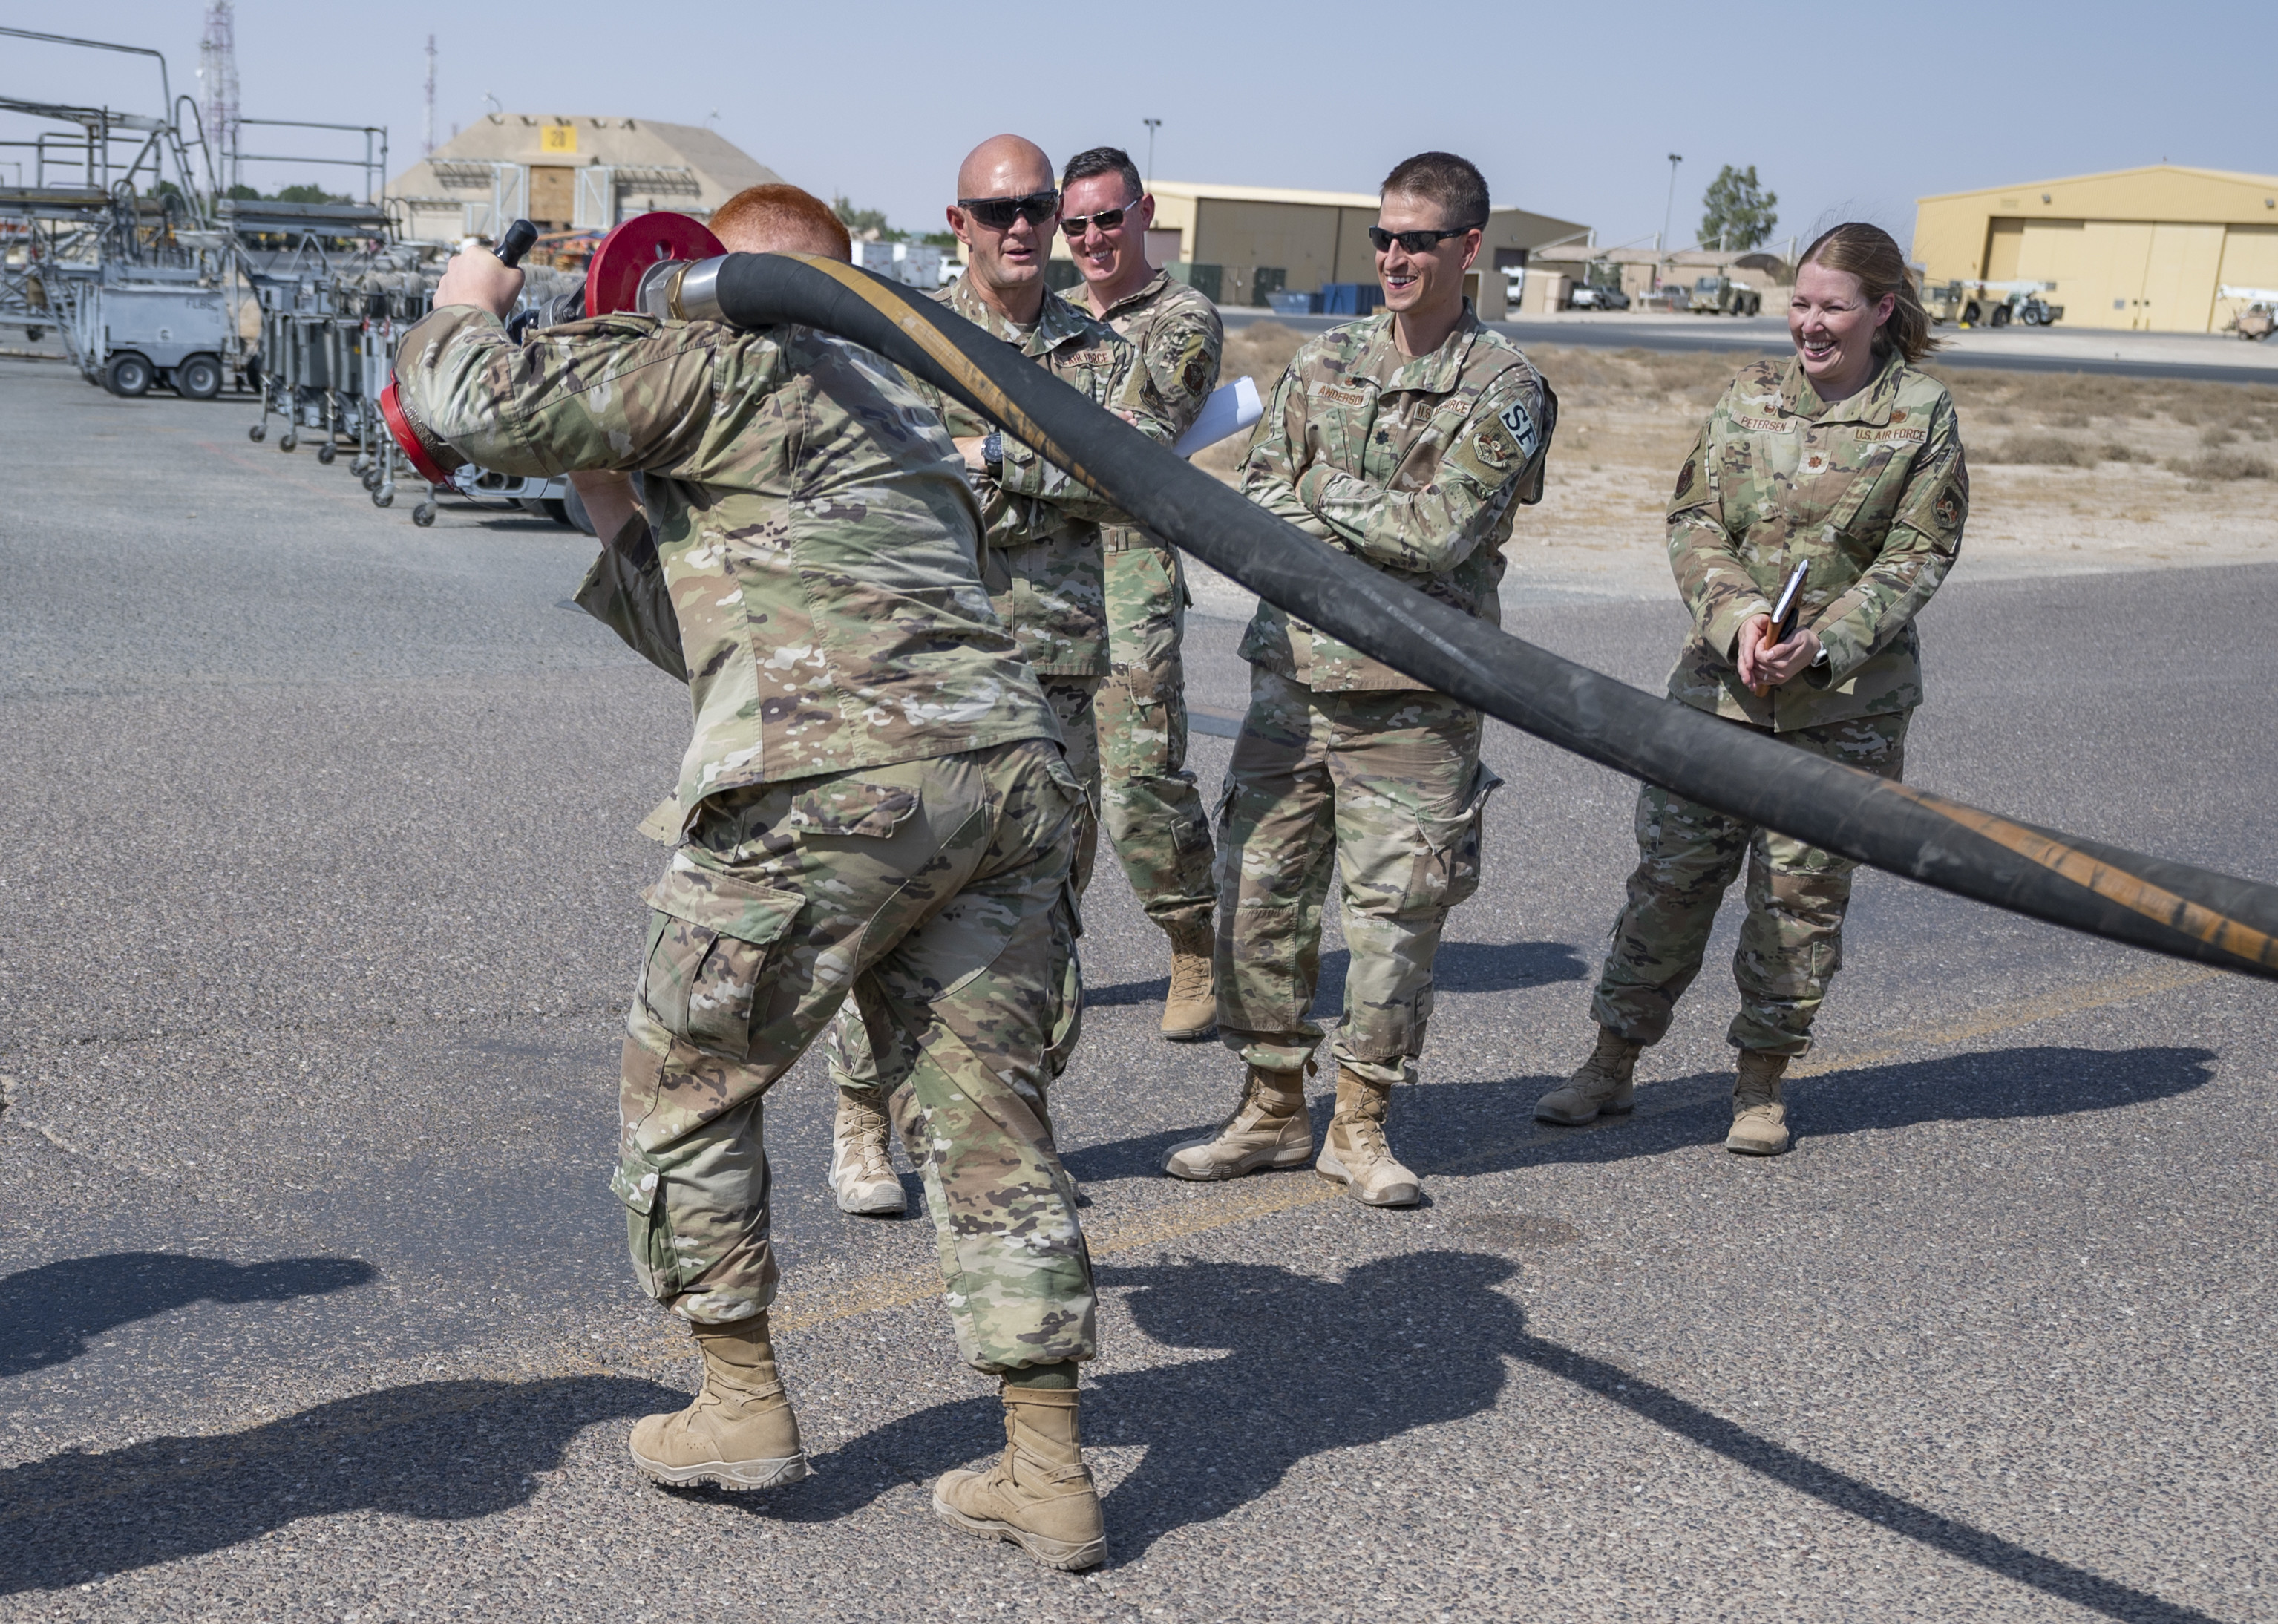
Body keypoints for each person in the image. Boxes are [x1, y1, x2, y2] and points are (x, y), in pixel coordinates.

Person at [394, 180, 1110, 1572]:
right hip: (1004, 779)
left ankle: (736, 1401)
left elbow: (467, 405)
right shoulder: (890, 414)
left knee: (684, 1079)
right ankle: (1049, 1467)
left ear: (725, 277)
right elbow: (725, 629)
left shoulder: (728, 353)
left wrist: (462, 301)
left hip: (835, 779)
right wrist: (612, 489)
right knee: (986, 1114)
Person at [1164, 152, 1550, 1208]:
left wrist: (1322, 492)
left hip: (1413, 701)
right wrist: (1336, 511)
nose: (1392, 257)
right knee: (1256, 909)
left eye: (1416, 239)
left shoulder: (1506, 388)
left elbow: (1438, 534)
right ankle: (1271, 1110)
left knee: (1392, 927)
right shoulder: (1320, 361)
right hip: (1291, 684)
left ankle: (1361, 1125)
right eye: (1382, 237)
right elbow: (1253, 502)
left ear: (1468, 248)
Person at [1534, 222, 1968, 1157]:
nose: (1811, 324)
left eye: (1833, 307)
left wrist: (1821, 643)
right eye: (1802, 303)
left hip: (1842, 712)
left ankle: (1761, 1081)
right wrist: (1741, 623)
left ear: (1881, 311)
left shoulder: (1920, 415)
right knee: (1670, 882)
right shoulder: (1749, 398)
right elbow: (1694, 517)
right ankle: (1611, 1063)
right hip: (1717, 695)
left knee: (1799, 900)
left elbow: (1918, 553)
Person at [819, 134, 1172, 1219]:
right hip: (928, 671)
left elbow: (1127, 472)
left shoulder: (1097, 348)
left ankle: (1007, 1124)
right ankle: (861, 1121)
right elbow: (881, 471)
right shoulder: (902, 335)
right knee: (887, 900)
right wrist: (1038, 470)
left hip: (1057, 674)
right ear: (957, 220)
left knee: (1045, 919)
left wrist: (984, 463)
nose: (1024, 227)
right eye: (999, 209)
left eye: (1038, 208)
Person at [1058, 144, 1224, 1043]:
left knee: (1136, 781)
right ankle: (1047, 950)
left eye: (1107, 218)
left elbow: (1138, 435)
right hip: (1037, 565)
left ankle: (1192, 935)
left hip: (1127, 569)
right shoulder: (1039, 317)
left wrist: (1015, 449)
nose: (1091, 237)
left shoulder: (1181, 318)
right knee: (1050, 778)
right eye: (1074, 223)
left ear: (1144, 212)